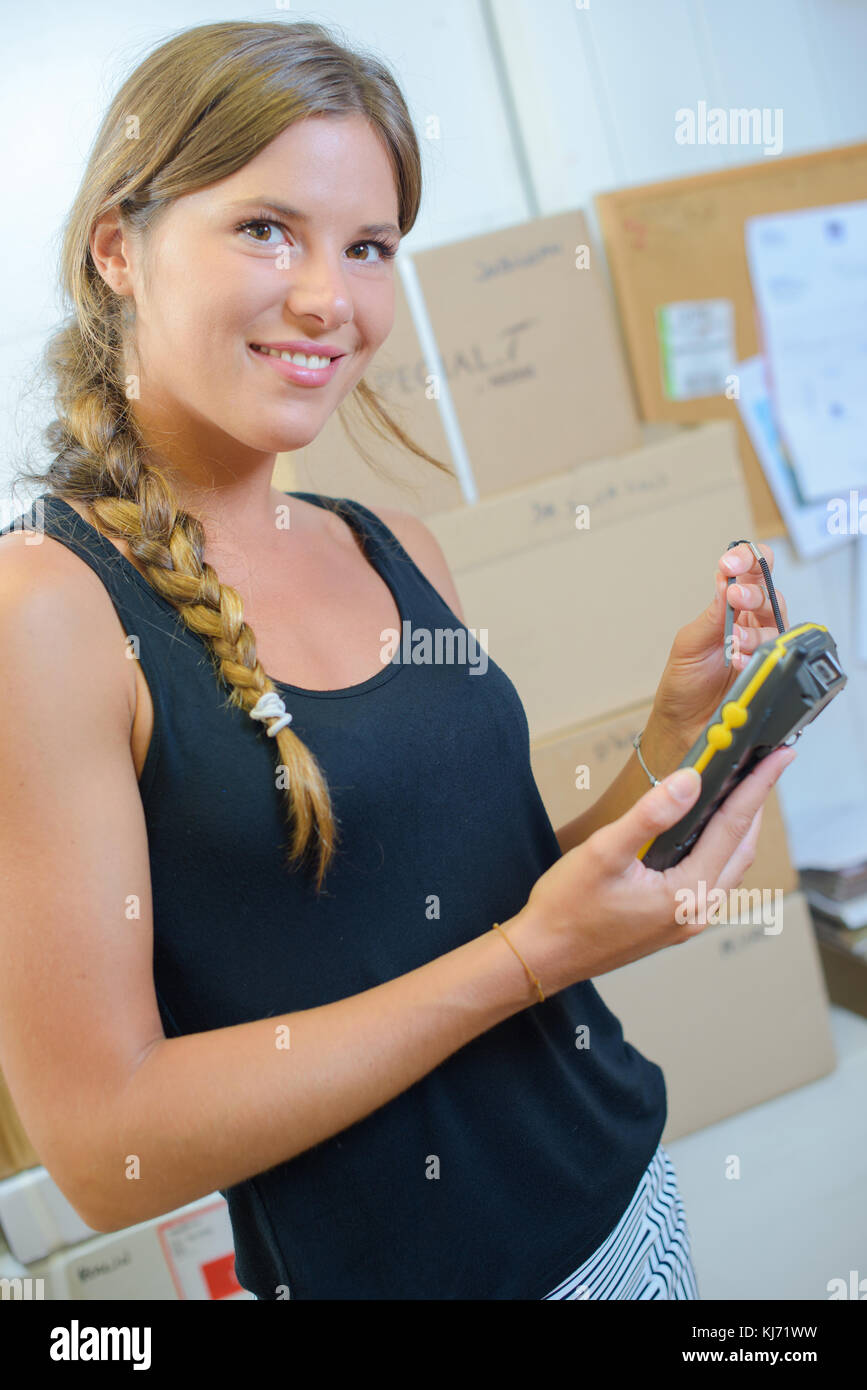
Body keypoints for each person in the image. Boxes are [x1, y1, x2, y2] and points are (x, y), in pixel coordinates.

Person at [0, 19, 795, 1301]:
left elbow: (493, 911)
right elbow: (110, 1148)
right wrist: (532, 958)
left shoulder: (391, 545)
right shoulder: (45, 608)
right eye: (268, 228)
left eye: (369, 247)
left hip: (629, 1207)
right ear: (118, 249)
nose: (332, 297)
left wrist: (670, 746)